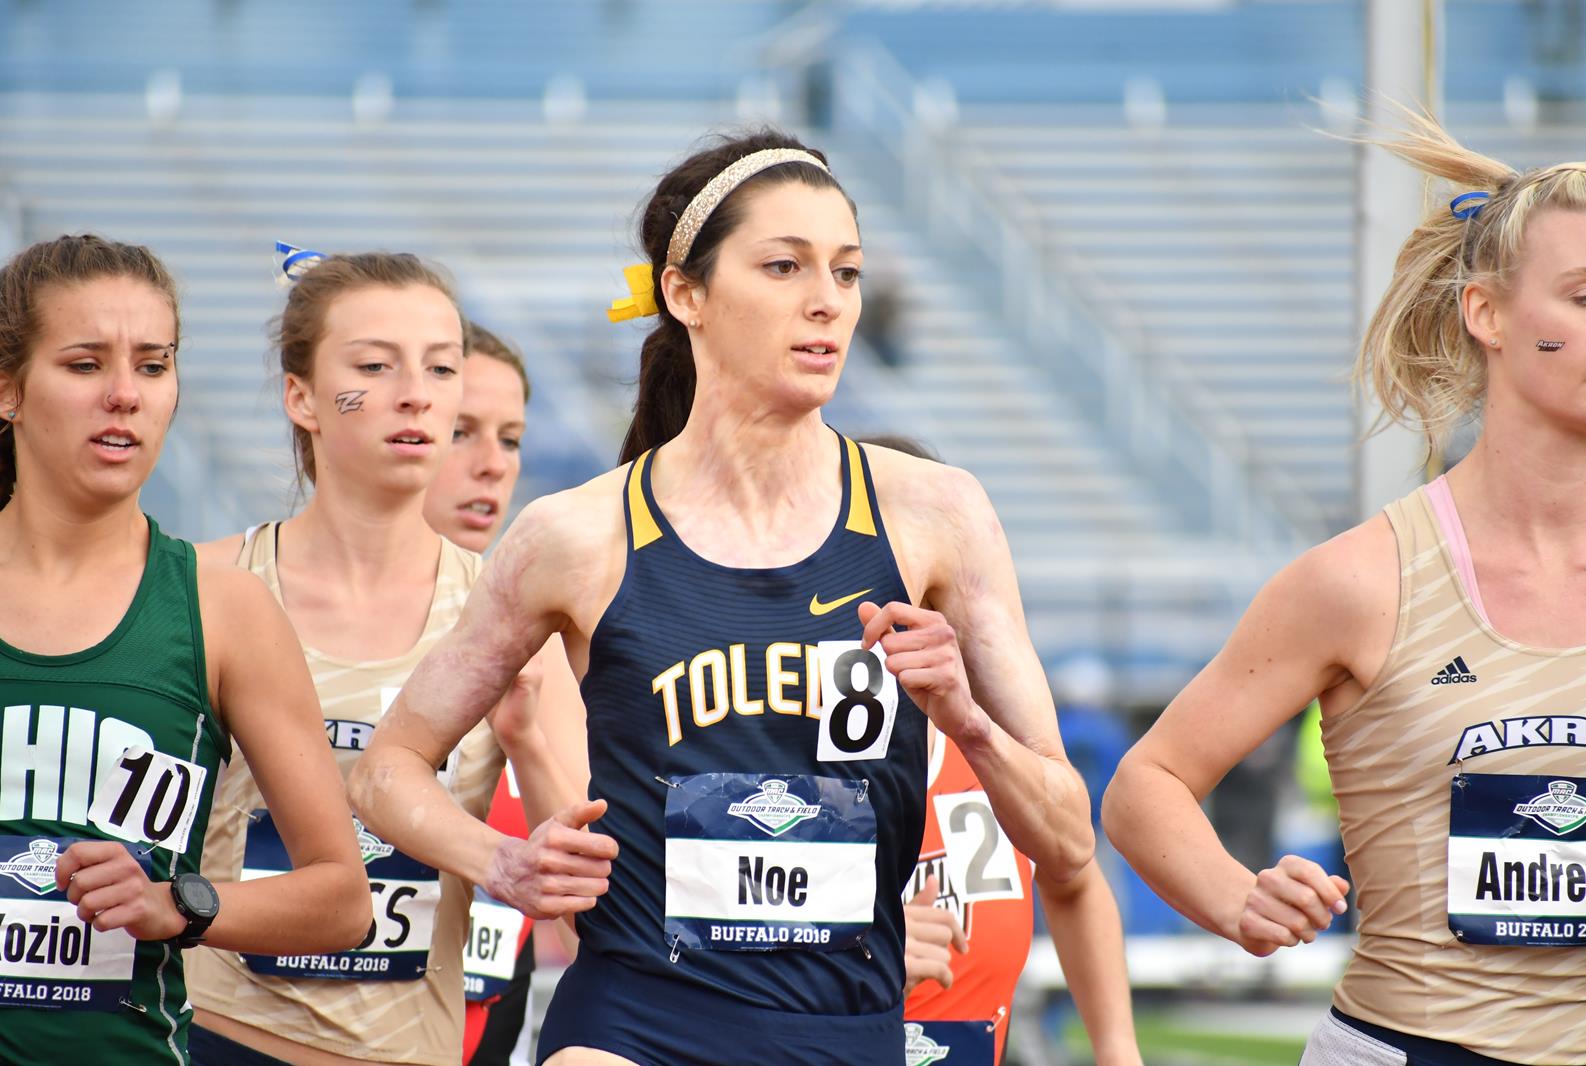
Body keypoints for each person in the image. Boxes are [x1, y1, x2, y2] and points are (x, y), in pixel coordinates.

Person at [350, 130, 1095, 1066]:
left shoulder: (935, 513)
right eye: (784, 266)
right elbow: (385, 772)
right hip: (636, 1022)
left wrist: (966, 721)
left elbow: (1068, 840)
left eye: (848, 271)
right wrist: (500, 861)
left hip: (851, 1029)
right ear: (685, 292)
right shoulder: (577, 536)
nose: (826, 299)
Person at [1105, 111, 1586, 1065]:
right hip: (1413, 1044)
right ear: (1486, 314)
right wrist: (1236, 898)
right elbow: (1145, 786)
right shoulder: (1361, 579)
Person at [0, 234, 368, 1063]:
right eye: (86, 364)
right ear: (9, 389)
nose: (125, 395)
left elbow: (343, 900)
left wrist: (182, 904)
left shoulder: (223, 607)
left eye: (154, 365)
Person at [185, 252, 507, 1066]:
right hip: (220, 1037)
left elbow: (586, 868)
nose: (414, 393)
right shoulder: (201, 586)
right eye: (374, 365)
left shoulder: (512, 616)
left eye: (441, 367)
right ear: (302, 397)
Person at [860, 437, 1140, 1066]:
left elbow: (1073, 877)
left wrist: (1117, 1048)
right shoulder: (793, 747)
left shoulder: (996, 740)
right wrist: (852, 955)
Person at [417, 321, 572, 1066]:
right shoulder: (267, 612)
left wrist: (529, 744)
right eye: (461, 432)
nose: (491, 466)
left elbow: (584, 918)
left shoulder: (558, 649)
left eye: (510, 440)